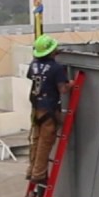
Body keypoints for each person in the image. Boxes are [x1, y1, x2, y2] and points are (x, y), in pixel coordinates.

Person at [27, 35, 72, 186]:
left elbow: (34, 77)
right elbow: (63, 89)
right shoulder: (56, 68)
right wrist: (71, 83)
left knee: (36, 140)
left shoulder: (33, 65)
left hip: (36, 108)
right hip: (49, 110)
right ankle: (38, 174)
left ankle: (31, 170)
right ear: (52, 51)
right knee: (45, 143)